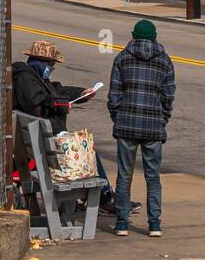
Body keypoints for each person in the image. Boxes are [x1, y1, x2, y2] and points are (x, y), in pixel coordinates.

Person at [12, 40, 128, 217]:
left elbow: (56, 90)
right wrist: (61, 104)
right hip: (45, 146)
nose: (51, 68)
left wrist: (81, 94)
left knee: (89, 150)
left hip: (42, 142)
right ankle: (104, 198)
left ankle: (104, 196)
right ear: (41, 61)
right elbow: (38, 103)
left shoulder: (33, 77)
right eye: (50, 64)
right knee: (89, 151)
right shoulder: (25, 80)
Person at [107, 19, 175, 237]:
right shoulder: (164, 61)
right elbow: (168, 95)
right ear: (154, 37)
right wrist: (162, 119)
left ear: (134, 36)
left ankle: (122, 223)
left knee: (124, 176)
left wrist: (117, 117)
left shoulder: (122, 58)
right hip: (153, 125)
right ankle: (154, 224)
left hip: (126, 123)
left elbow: (114, 95)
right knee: (153, 177)